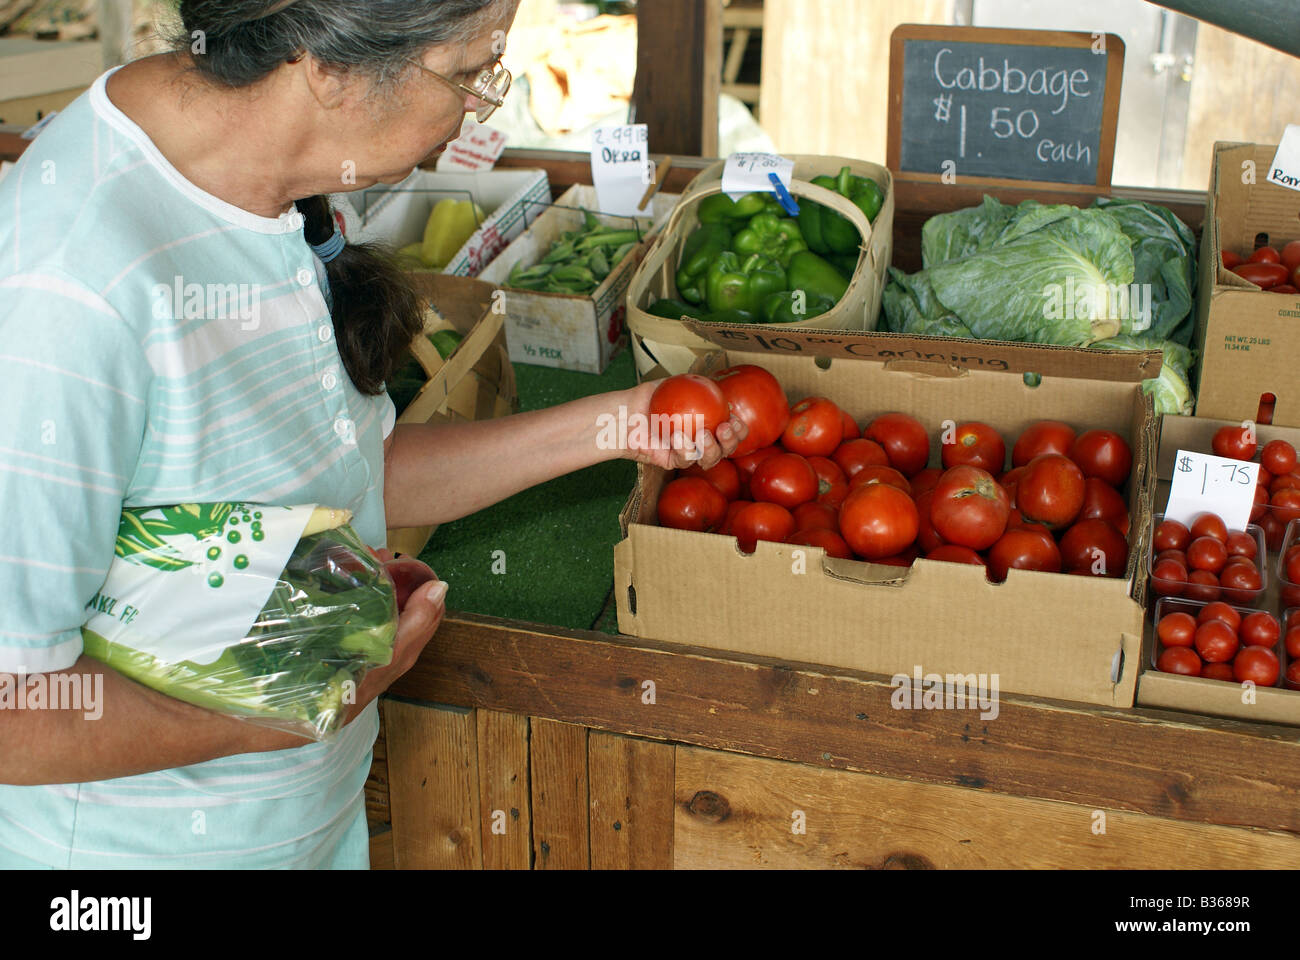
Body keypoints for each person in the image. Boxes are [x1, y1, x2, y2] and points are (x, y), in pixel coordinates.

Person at [0, 0, 745, 869]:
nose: (483, 103)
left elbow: (356, 469)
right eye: (468, 71)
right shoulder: (68, 287)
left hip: (306, 833)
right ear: (328, 65)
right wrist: (293, 702)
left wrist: (617, 423)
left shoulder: (279, 183)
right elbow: (16, 710)